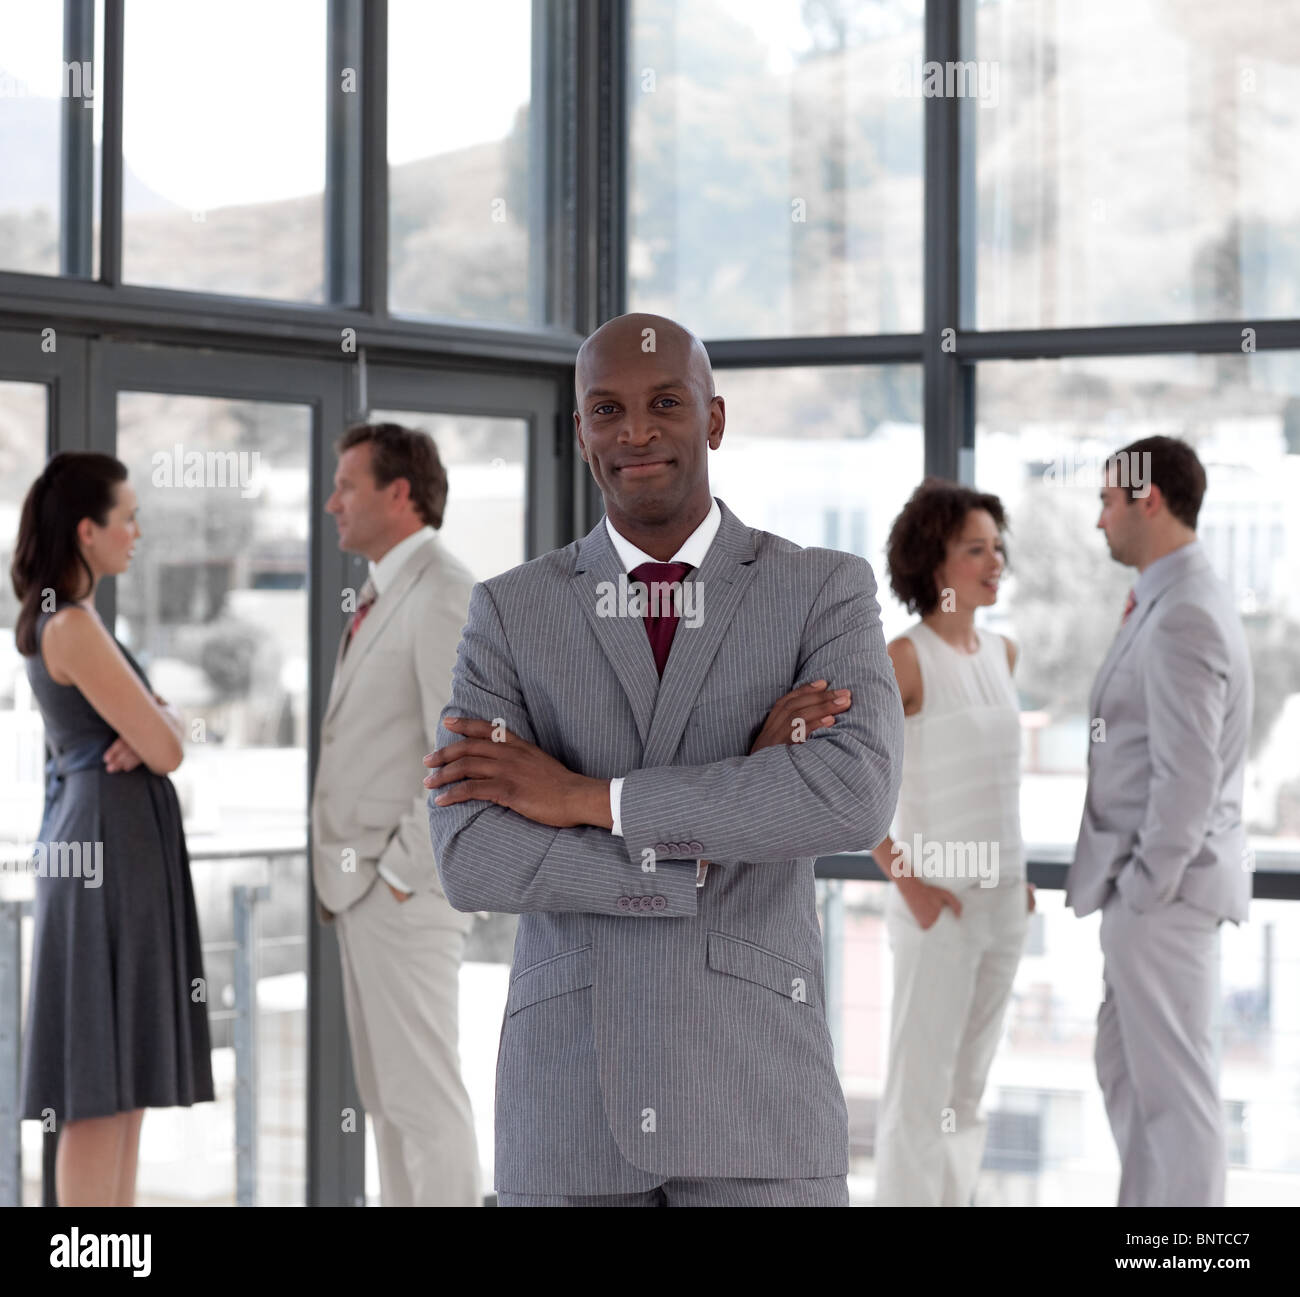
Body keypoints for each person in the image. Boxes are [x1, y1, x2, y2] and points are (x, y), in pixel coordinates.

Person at [424, 311, 904, 1207]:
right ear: (579, 431)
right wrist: (719, 826)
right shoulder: (510, 610)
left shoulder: (821, 590)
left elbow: (851, 794)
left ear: (714, 420)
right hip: (567, 1106)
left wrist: (586, 796)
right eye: (606, 410)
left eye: (664, 404)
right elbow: (469, 854)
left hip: (756, 1102)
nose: (634, 432)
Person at [10, 452, 213, 1207]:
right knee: (97, 1085)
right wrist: (156, 720)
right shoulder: (73, 624)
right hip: (103, 853)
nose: (137, 530)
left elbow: (162, 734)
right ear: (88, 531)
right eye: (126, 516)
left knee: (120, 1080)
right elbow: (167, 745)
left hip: (114, 849)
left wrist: (156, 720)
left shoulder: (79, 618)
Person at [1067, 435, 1252, 1207]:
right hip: (1147, 895)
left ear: (1150, 499)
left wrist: (1144, 891)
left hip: (1164, 899)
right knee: (1132, 1081)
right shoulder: (1170, 599)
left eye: (1109, 500)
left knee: (1175, 1100)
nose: (1100, 519)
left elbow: (1189, 777)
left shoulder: (1184, 614)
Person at [312, 422, 480, 1207]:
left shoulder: (442, 591)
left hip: (402, 893)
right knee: (386, 1107)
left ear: (399, 493)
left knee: (424, 1107)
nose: (331, 502)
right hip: (364, 892)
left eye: (346, 486)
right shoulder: (384, 591)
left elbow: (463, 754)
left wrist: (399, 876)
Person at [869, 479, 1032, 1206]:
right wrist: (907, 883)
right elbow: (848, 790)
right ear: (935, 563)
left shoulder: (1006, 652)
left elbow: (1000, 782)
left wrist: (1016, 879)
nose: (994, 561)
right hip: (937, 911)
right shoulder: (903, 658)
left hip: (1003, 909)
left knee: (968, 1092)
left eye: (998, 547)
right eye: (976, 549)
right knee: (919, 1093)